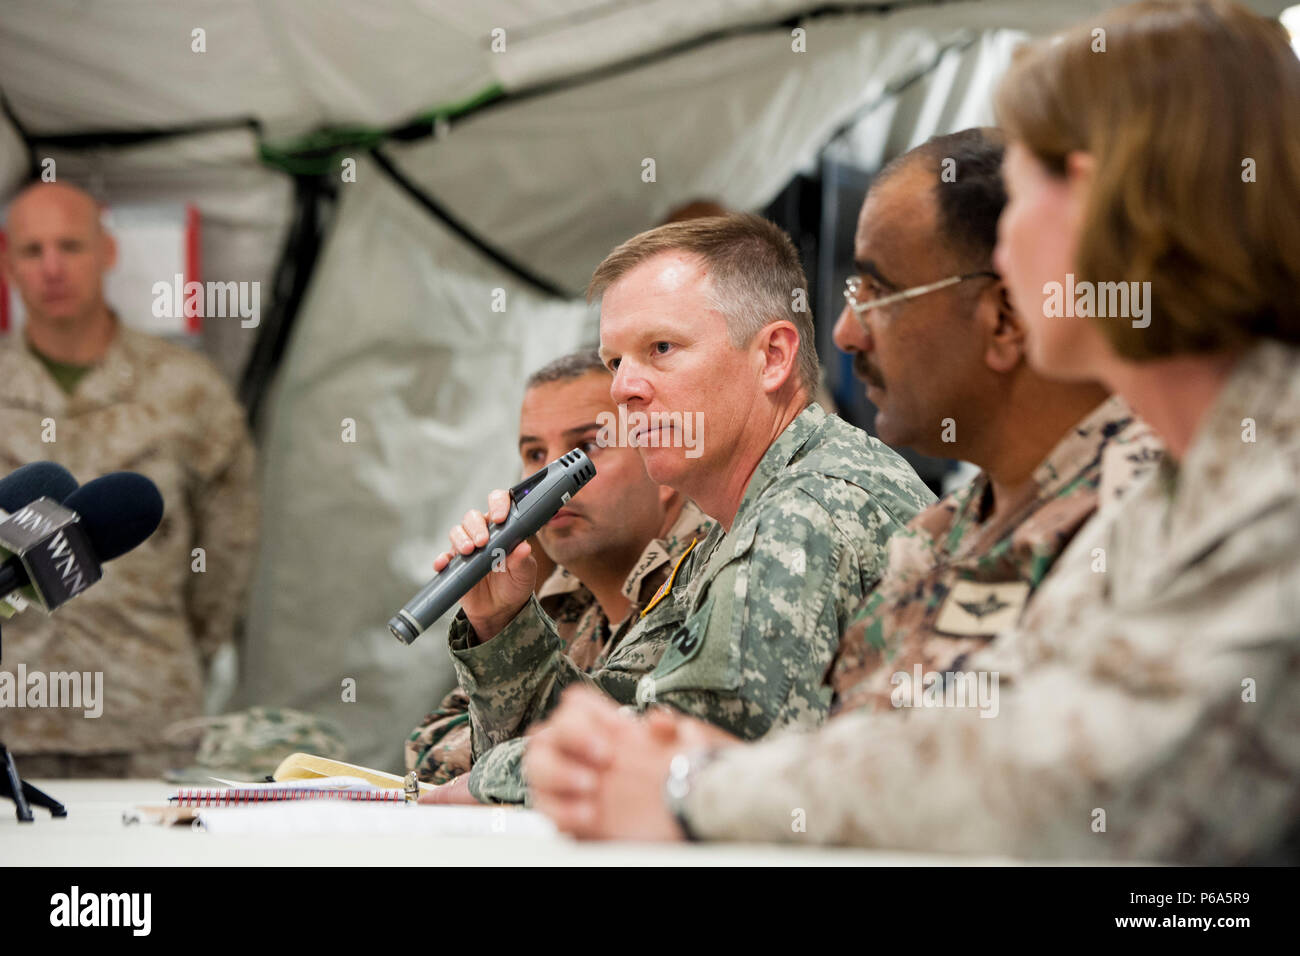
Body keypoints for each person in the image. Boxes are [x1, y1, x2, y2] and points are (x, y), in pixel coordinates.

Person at [523, 0, 1300, 863]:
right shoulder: (1180, 485)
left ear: (1100, 206)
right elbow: (987, 722)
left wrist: (696, 786)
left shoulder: (1274, 474)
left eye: (1025, 198)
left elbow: (1067, 784)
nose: (1002, 253)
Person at [425, 213, 934, 804]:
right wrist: (502, 624)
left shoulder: (810, 510)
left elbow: (687, 752)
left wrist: (480, 784)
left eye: (661, 348)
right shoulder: (732, 525)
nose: (623, 389)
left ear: (772, 356)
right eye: (615, 361)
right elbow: (600, 720)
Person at [0, 181, 259, 777]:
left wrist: (176, 646)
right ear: (9, 265)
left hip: (147, 714)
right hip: (13, 717)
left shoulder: (186, 388)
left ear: (108, 252)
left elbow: (227, 548)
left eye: (71, 245)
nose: (53, 268)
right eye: (33, 251)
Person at [406, 349, 713, 794]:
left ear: (663, 464)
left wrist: (508, 752)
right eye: (534, 453)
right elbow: (427, 745)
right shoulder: (563, 595)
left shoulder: (708, 570)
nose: (550, 482)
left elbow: (619, 757)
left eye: (585, 448)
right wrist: (495, 624)